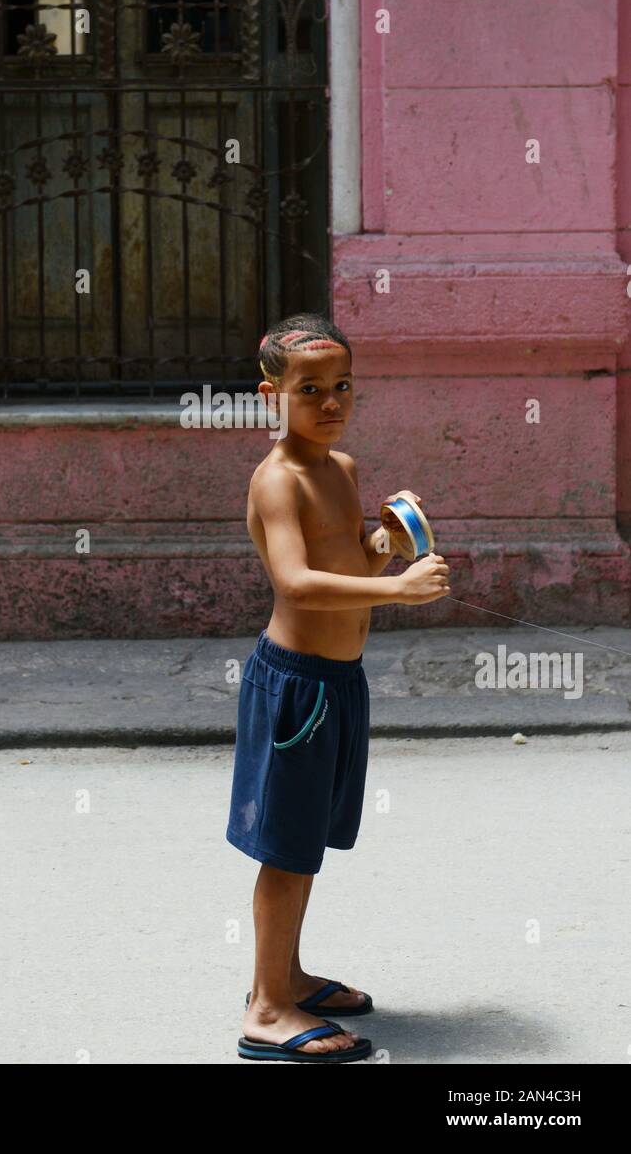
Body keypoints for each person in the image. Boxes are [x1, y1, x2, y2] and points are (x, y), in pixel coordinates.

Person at [227, 313, 451, 1063]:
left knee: (306, 846)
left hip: (338, 682)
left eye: (343, 386)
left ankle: (287, 976)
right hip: (296, 690)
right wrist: (404, 593)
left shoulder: (342, 469)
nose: (331, 402)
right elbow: (295, 582)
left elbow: (351, 568)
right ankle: (265, 1008)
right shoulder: (277, 481)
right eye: (310, 389)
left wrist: (384, 542)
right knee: (285, 852)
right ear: (271, 396)